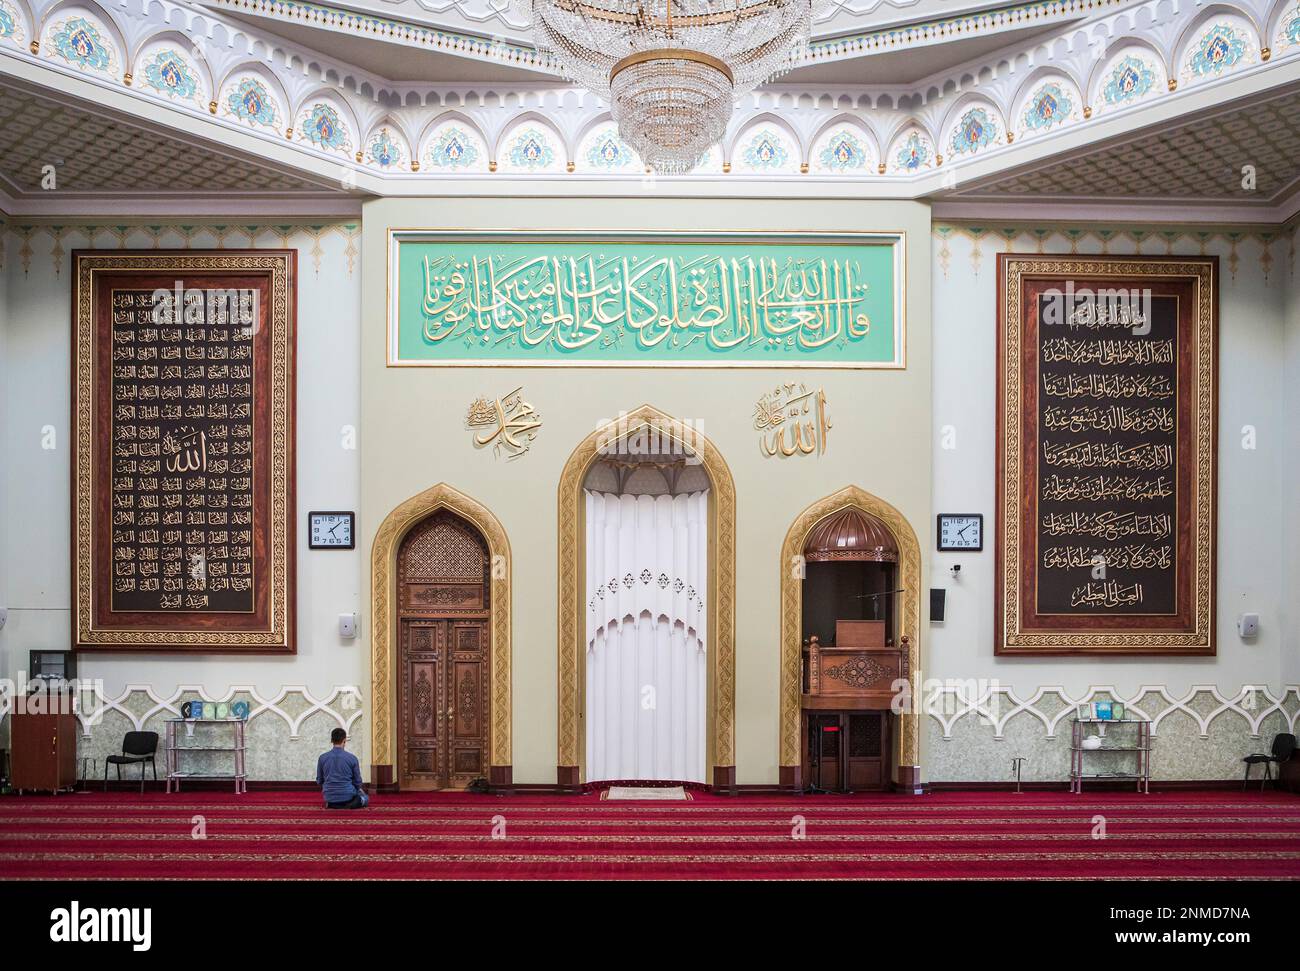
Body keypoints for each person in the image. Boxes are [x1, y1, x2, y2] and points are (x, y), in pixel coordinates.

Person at [316, 728, 368, 809]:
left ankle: (332, 804)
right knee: (365, 798)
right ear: (344, 740)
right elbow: (358, 782)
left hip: (329, 796)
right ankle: (351, 804)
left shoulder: (322, 758)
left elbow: (319, 781)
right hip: (348, 796)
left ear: (331, 741)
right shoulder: (352, 758)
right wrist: (357, 790)